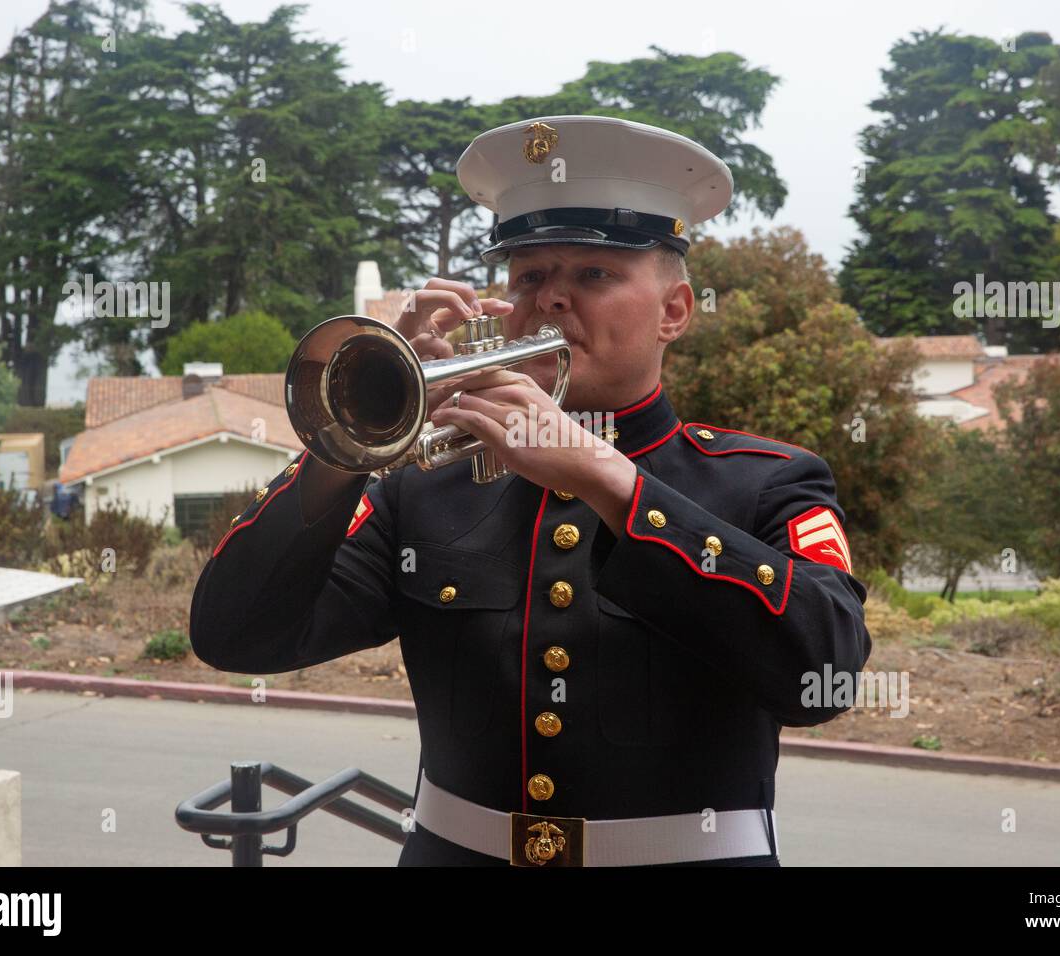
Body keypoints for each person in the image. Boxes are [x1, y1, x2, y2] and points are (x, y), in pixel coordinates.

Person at [189, 115, 872, 867]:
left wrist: (615, 484)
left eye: (594, 275)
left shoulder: (767, 480)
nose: (550, 300)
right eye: (530, 276)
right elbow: (235, 634)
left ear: (674, 312)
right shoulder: (425, 489)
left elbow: (825, 680)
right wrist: (349, 443)